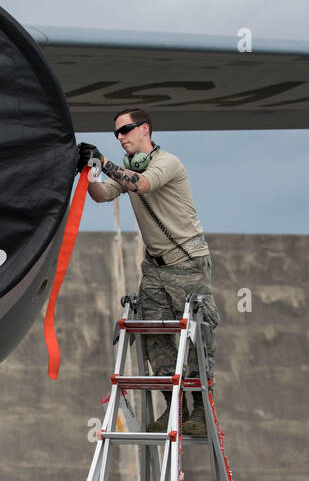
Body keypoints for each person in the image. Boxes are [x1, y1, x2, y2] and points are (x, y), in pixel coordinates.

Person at [78, 108, 219, 437]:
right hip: (154, 268)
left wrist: (103, 161)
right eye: (116, 132)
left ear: (145, 129)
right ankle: (175, 408)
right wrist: (87, 170)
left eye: (126, 129)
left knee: (198, 336)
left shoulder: (167, 163)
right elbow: (101, 195)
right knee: (155, 337)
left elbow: (141, 185)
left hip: (187, 263)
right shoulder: (126, 167)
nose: (120, 136)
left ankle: (200, 408)